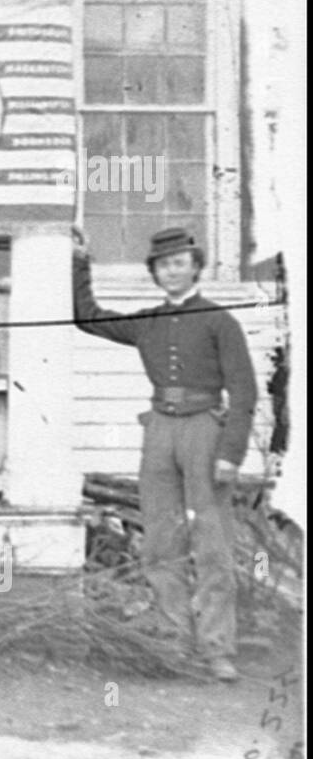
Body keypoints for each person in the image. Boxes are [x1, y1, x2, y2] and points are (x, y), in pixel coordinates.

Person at [72, 225, 257, 682]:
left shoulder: (220, 321)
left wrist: (230, 452)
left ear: (194, 267)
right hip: (159, 431)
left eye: (179, 263)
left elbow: (245, 391)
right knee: (160, 539)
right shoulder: (148, 322)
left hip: (204, 432)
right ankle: (176, 639)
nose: (171, 271)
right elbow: (87, 316)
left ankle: (218, 649)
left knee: (211, 542)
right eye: (162, 265)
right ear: (154, 273)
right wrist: (79, 264)